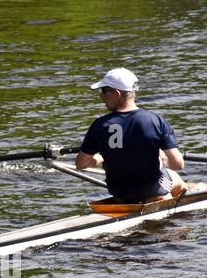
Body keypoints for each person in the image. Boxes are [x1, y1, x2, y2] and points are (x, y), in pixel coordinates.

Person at [76, 68, 185, 203]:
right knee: (176, 178)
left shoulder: (99, 125)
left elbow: (81, 164)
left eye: (103, 91)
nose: (101, 96)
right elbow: (178, 164)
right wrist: (162, 159)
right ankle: (174, 208)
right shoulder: (155, 121)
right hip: (151, 190)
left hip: (120, 194)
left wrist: (99, 158)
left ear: (116, 93)